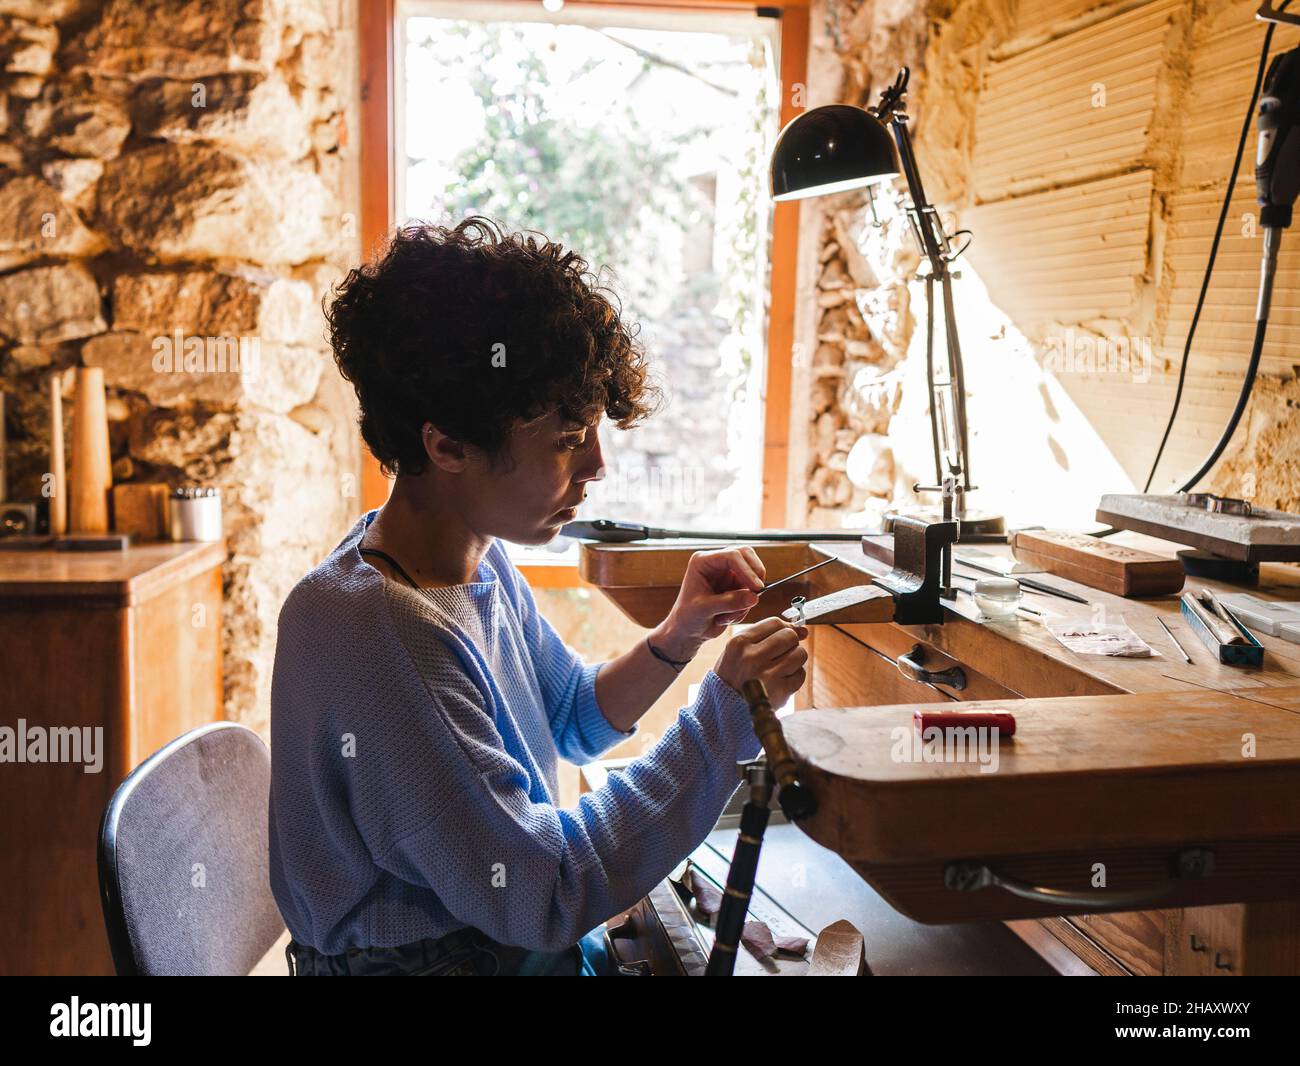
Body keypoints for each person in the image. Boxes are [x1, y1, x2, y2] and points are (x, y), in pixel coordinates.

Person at [268, 217, 809, 975]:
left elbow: (573, 718)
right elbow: (544, 891)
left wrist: (677, 637)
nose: (597, 465)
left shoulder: (470, 563)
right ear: (447, 446)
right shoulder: (380, 630)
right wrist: (723, 720)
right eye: (566, 439)